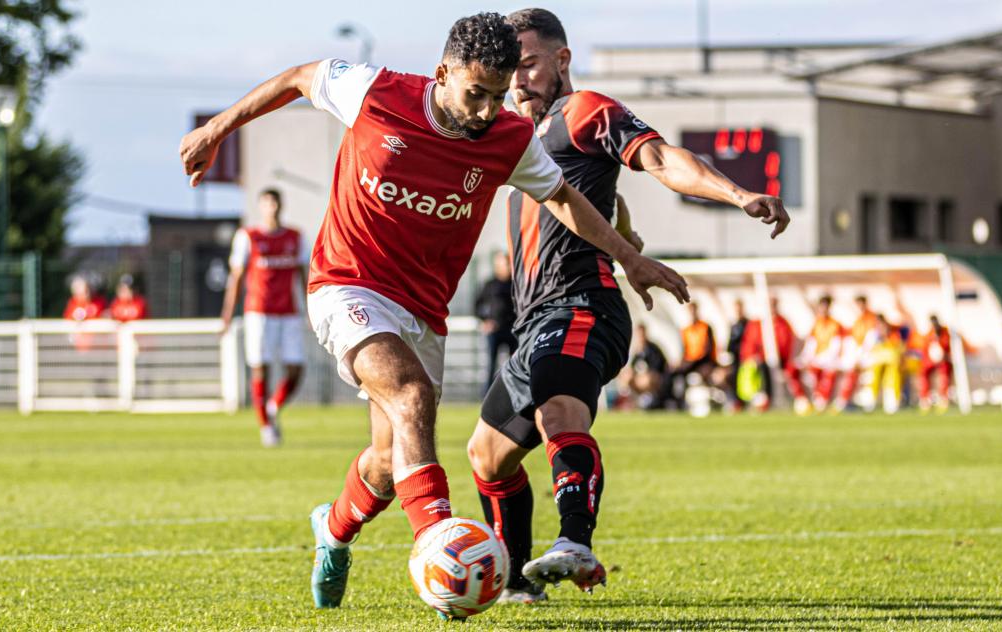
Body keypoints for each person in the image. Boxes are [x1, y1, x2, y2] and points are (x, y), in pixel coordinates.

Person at [180, 12, 683, 611]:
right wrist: (217, 128)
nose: (486, 111)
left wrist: (630, 257)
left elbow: (563, 198)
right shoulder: (375, 90)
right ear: (442, 73)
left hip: (422, 309)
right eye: (475, 94)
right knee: (412, 395)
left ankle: (334, 531)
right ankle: (439, 545)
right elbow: (296, 77)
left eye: (498, 97)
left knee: (388, 465)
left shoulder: (506, 138)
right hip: (347, 284)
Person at [465, 8, 790, 603]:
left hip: (583, 304)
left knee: (559, 412)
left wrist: (738, 194)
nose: (518, 81)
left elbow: (661, 159)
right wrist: (628, 235)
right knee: (487, 456)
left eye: (530, 65)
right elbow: (597, 199)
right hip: (536, 318)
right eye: (512, 69)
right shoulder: (517, 133)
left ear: (561, 60)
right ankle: (516, 585)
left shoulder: (586, 110)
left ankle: (574, 541)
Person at [221, 188, 307, 448]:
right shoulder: (249, 237)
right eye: (268, 203)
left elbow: (303, 275)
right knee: (262, 367)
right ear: (261, 207)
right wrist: (227, 313)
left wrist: (311, 308)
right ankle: (266, 427)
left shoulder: (296, 237)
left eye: (276, 202)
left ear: (282, 205)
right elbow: (236, 276)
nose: (273, 207)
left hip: (289, 312)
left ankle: (272, 406)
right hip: (258, 311)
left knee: (296, 369)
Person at [739, 297, 803, 413]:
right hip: (759, 361)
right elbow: (749, 344)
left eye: (774, 305)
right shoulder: (756, 324)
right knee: (756, 370)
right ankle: (753, 400)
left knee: (791, 371)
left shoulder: (783, 324)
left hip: (781, 361)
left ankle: (800, 400)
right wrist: (753, 356)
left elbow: (787, 345)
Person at [474, 251, 518, 391]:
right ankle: (488, 394)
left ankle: (515, 391)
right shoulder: (490, 284)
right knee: (491, 364)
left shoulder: (516, 283)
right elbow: (477, 306)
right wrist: (485, 321)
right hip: (495, 330)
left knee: (516, 363)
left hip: (513, 329)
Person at [833, 295, 878, 412]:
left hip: (870, 356)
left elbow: (870, 341)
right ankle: (845, 400)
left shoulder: (871, 319)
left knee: (856, 373)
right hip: (859, 355)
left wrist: (861, 357)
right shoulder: (858, 320)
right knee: (849, 372)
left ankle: (846, 400)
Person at [799, 295, 843, 412]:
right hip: (817, 359)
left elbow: (836, 345)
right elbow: (811, 344)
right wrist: (806, 358)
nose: (823, 310)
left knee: (829, 373)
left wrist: (829, 358)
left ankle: (823, 400)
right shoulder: (816, 324)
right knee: (807, 374)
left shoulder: (835, 325)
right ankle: (808, 400)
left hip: (829, 359)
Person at [615, 324, 669, 410]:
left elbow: (657, 368)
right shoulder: (637, 351)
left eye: (642, 334)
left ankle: (648, 398)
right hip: (639, 379)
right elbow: (633, 367)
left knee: (648, 379)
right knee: (626, 375)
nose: (640, 337)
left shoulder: (653, 349)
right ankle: (627, 399)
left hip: (655, 379)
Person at [917, 314, 952, 413]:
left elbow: (948, 348)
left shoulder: (945, 333)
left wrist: (944, 355)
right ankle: (925, 399)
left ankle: (943, 398)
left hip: (944, 360)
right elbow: (925, 351)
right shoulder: (929, 335)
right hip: (930, 360)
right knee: (923, 372)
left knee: (945, 372)